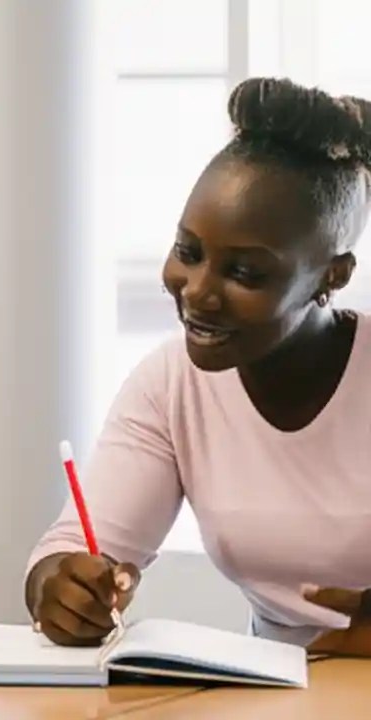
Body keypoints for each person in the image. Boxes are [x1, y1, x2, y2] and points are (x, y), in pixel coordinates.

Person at [25, 77, 371, 655]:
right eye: (188, 253)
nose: (198, 293)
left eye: (246, 274)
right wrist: (59, 587)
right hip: (280, 684)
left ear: (332, 275)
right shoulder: (170, 384)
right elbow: (73, 549)